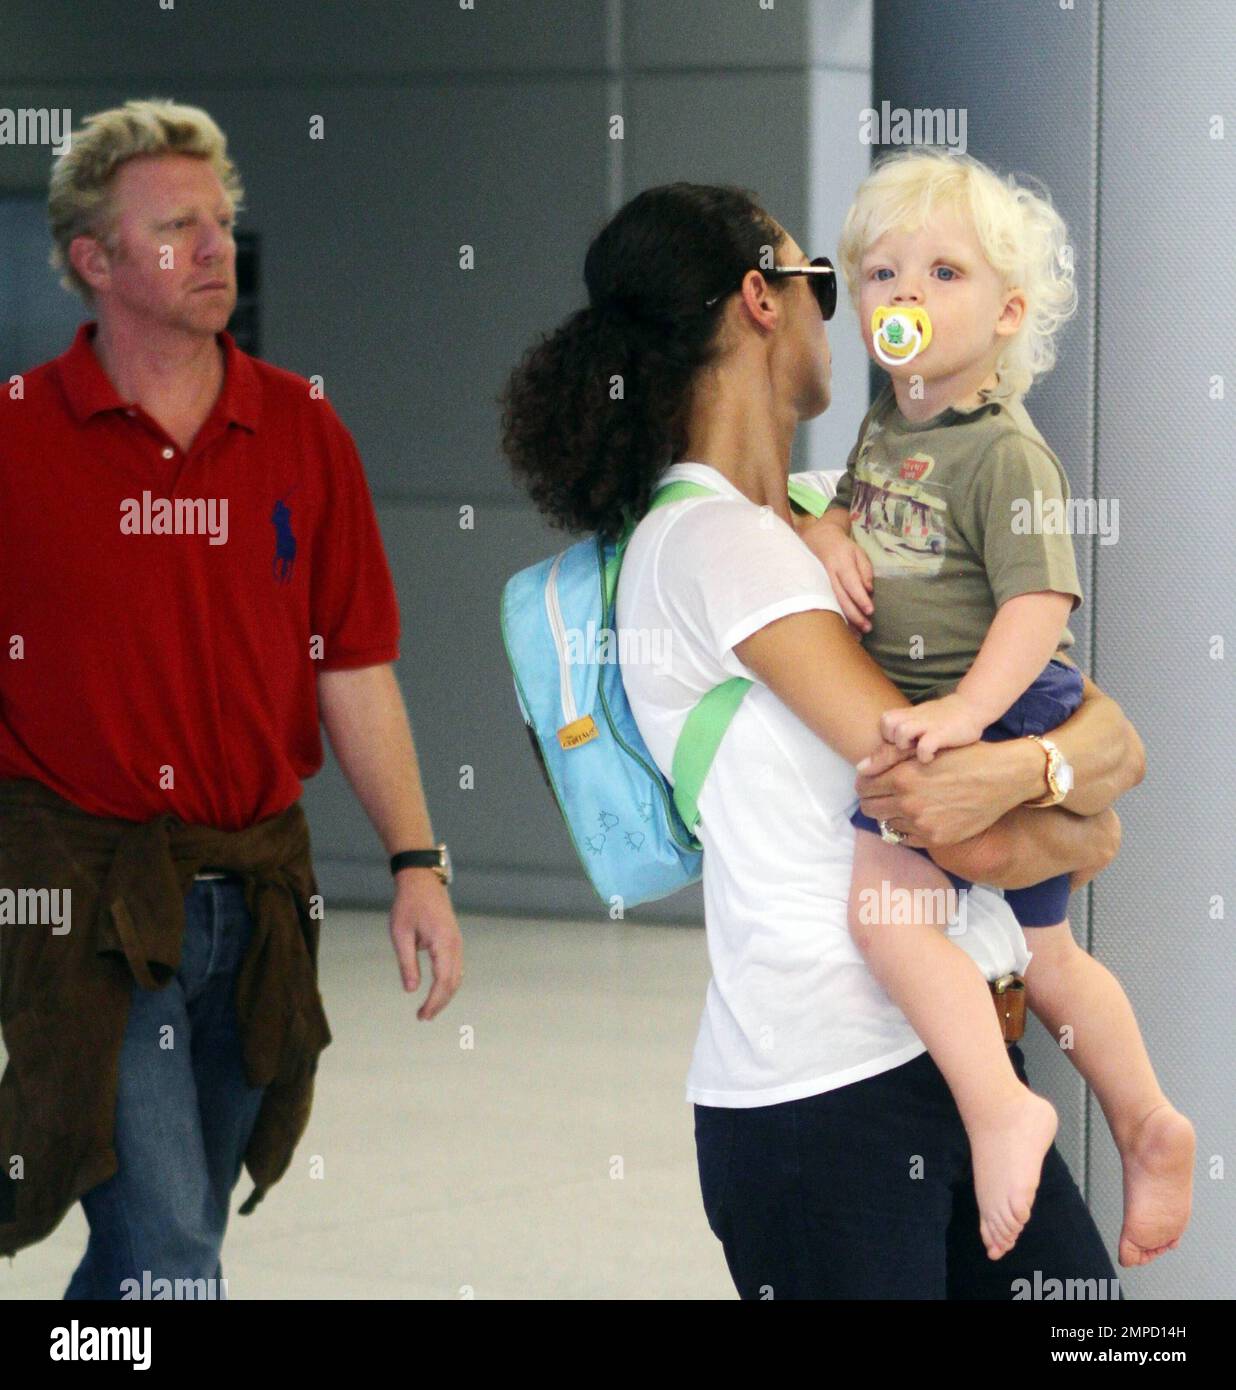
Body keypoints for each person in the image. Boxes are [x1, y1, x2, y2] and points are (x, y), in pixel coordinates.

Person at [501, 181, 1145, 1299]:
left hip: (962, 1065)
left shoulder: (824, 512)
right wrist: (1069, 807)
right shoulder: (710, 547)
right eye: (825, 284)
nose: (854, 313)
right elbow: (947, 808)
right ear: (762, 299)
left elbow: (1105, 737)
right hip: (826, 1099)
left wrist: (1043, 778)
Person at [0, 99, 462, 1297]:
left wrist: (417, 860)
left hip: (258, 893)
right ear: (91, 261)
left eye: (223, 223)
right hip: (89, 901)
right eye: (176, 228)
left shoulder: (301, 430)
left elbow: (351, 665)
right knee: (169, 1252)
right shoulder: (17, 443)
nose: (216, 249)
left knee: (168, 1236)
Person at [800, 150, 1194, 1266]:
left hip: (1005, 701)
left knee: (890, 910)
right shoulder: (888, 427)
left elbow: (1041, 599)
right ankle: (1146, 1122)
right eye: (880, 273)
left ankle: (1002, 1108)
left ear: (1008, 312)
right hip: (958, 705)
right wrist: (828, 532)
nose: (905, 295)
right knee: (1046, 956)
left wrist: (975, 712)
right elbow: (847, 513)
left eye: (942, 272)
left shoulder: (1004, 450)